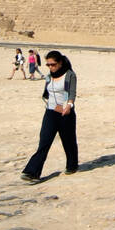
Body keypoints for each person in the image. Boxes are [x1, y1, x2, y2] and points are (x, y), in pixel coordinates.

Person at [21, 51, 78, 180]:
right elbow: (47, 93)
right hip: (50, 113)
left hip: (65, 113)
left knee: (68, 142)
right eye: (48, 65)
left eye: (53, 64)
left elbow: (71, 93)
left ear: (60, 63)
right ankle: (32, 172)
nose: (51, 67)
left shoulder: (69, 75)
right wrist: (48, 103)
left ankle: (72, 165)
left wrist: (68, 106)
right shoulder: (48, 76)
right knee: (44, 142)